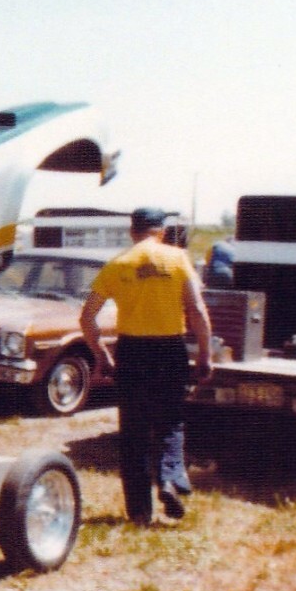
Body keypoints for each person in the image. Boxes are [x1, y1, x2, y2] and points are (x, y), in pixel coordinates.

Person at [80, 207, 214, 524]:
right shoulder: (177, 259)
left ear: (132, 232)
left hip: (132, 351)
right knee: (171, 421)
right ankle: (169, 478)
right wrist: (205, 354)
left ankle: (139, 512)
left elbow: (87, 317)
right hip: (169, 350)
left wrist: (102, 355)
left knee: (133, 430)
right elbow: (196, 309)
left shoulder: (118, 264)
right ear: (162, 232)